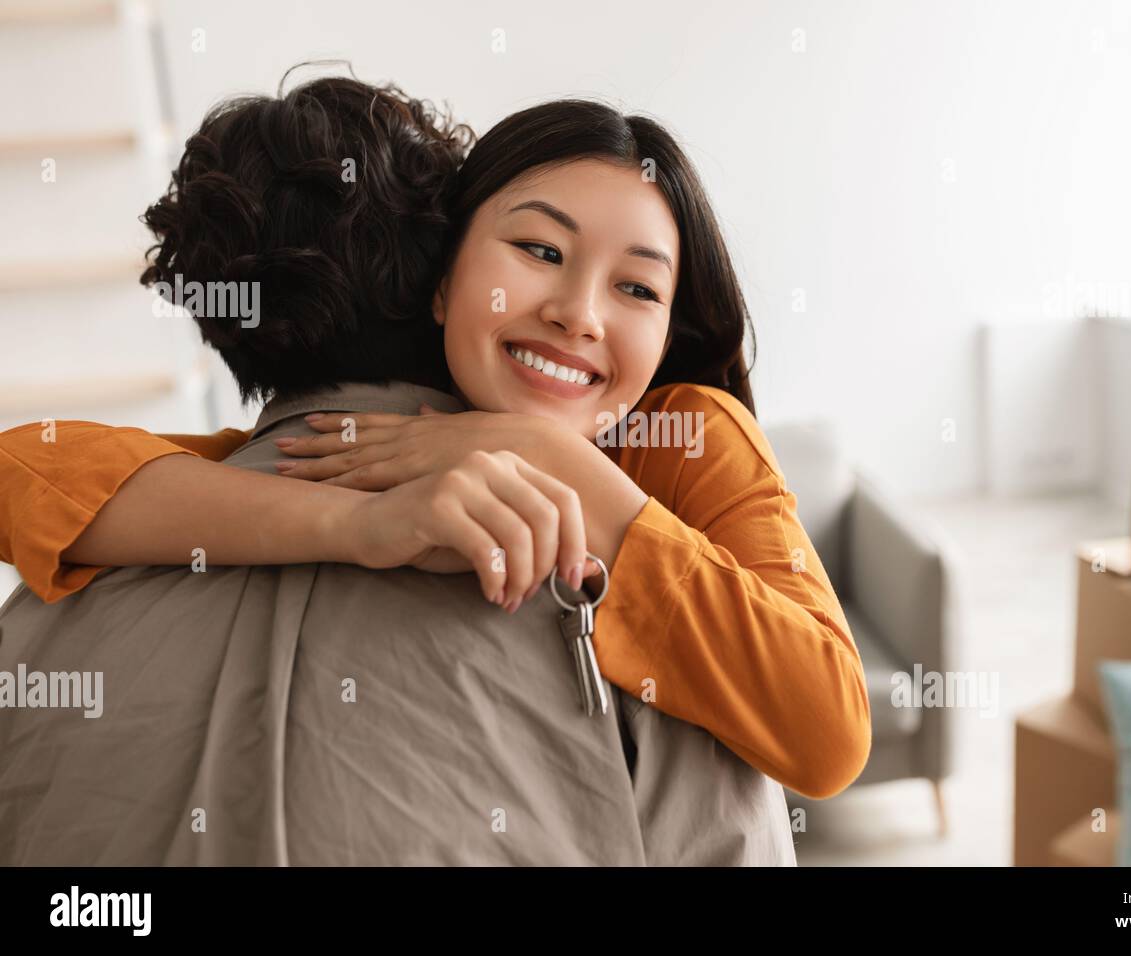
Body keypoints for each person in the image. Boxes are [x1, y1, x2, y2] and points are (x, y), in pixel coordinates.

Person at [0, 72, 871, 857]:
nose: (577, 313)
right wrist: (358, 525)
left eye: (638, 288)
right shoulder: (345, 455)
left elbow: (826, 728)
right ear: (440, 279)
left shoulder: (682, 440)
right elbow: (36, 472)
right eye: (540, 251)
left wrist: (545, 455)